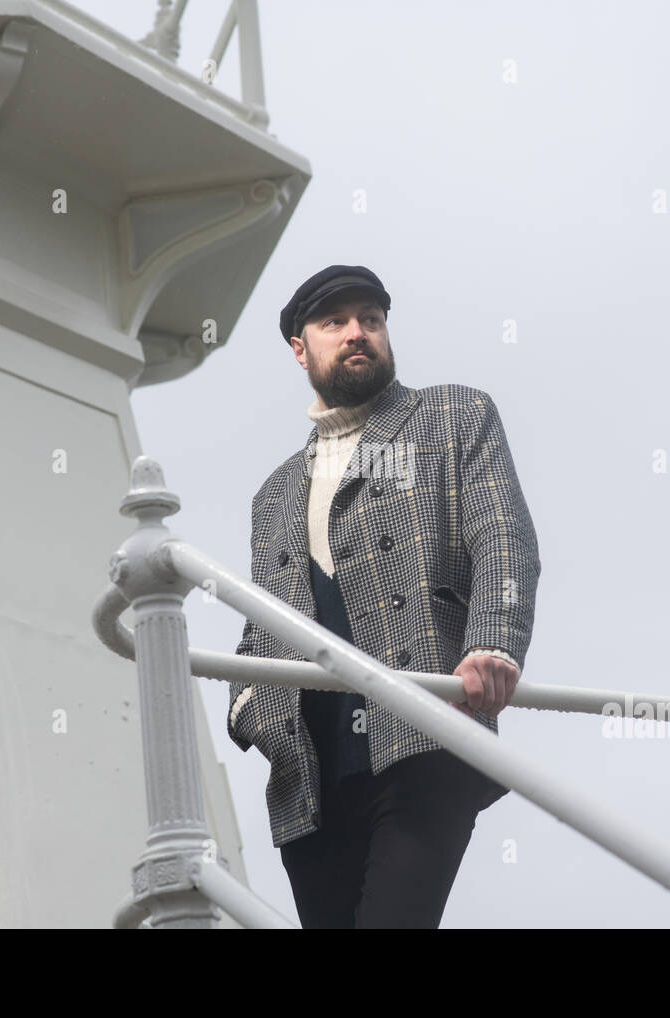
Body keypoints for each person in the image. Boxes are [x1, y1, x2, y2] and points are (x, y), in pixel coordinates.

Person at [226, 264, 541, 928]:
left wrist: (492, 645)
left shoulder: (455, 416)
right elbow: (258, 626)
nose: (357, 333)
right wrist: (247, 706)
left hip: (423, 739)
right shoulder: (274, 493)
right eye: (334, 322)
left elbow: (503, 537)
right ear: (300, 348)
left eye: (370, 319)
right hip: (307, 778)